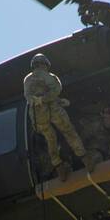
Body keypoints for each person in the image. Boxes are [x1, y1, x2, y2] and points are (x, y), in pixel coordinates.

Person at [23, 53, 89, 181]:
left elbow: (29, 97)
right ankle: (85, 159)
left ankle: (59, 167)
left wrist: (40, 100)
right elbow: (56, 90)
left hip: (38, 114)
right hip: (54, 111)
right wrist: (48, 99)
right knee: (69, 132)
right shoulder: (50, 77)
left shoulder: (27, 79)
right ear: (46, 64)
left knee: (50, 139)